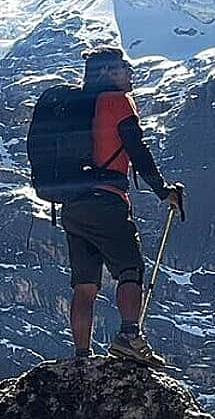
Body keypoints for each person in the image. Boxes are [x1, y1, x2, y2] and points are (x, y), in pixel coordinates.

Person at [62, 46, 181, 364]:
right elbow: (136, 149)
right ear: (108, 73)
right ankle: (130, 337)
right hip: (106, 199)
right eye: (123, 68)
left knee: (85, 286)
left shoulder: (77, 107)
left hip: (72, 205)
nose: (131, 73)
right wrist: (162, 191)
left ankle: (81, 356)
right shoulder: (117, 101)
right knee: (131, 269)